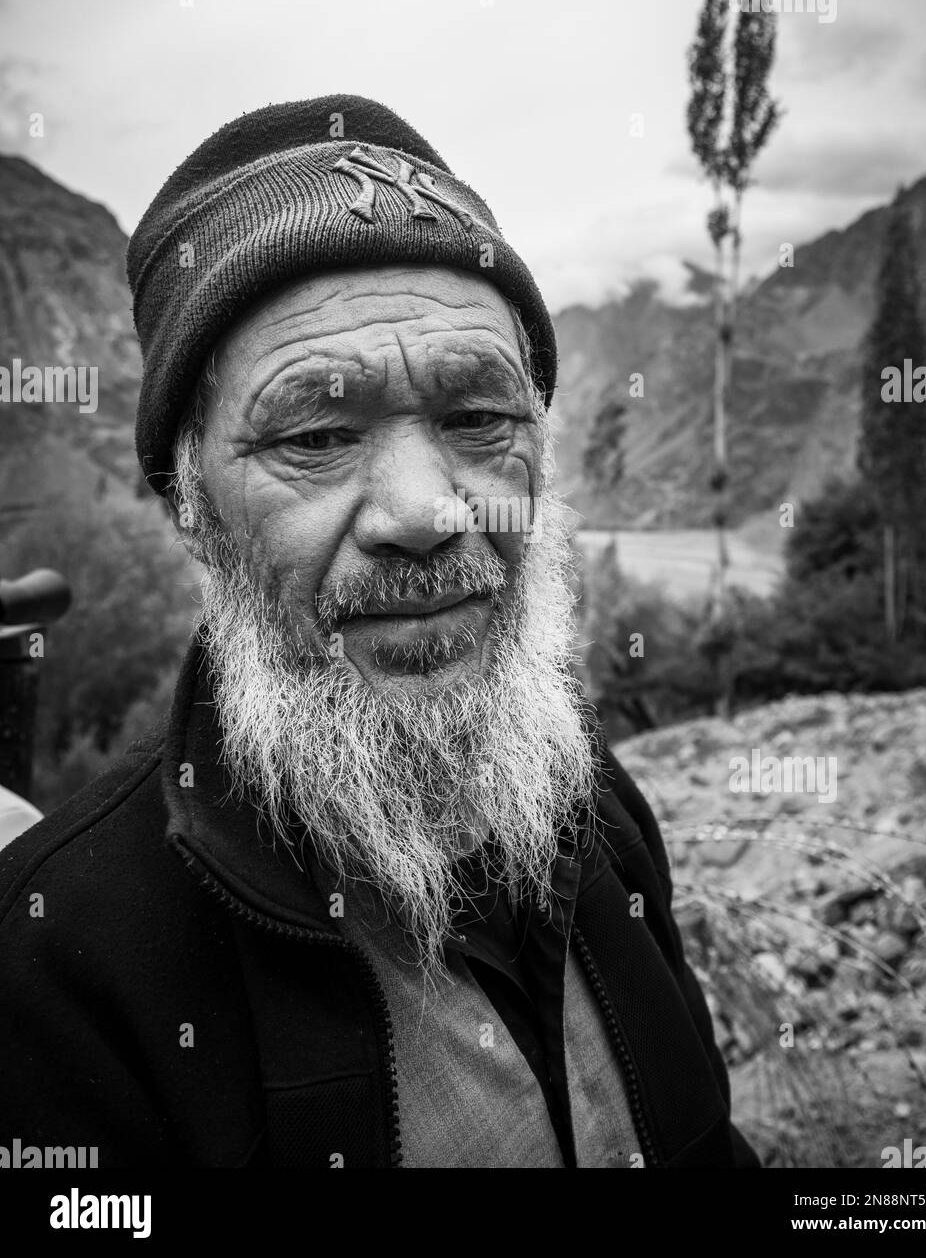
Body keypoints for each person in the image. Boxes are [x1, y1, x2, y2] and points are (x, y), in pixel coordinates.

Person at [0, 95, 758, 1168]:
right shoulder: (55, 969)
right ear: (188, 503)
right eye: (315, 434)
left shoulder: (605, 817)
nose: (426, 511)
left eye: (478, 419)